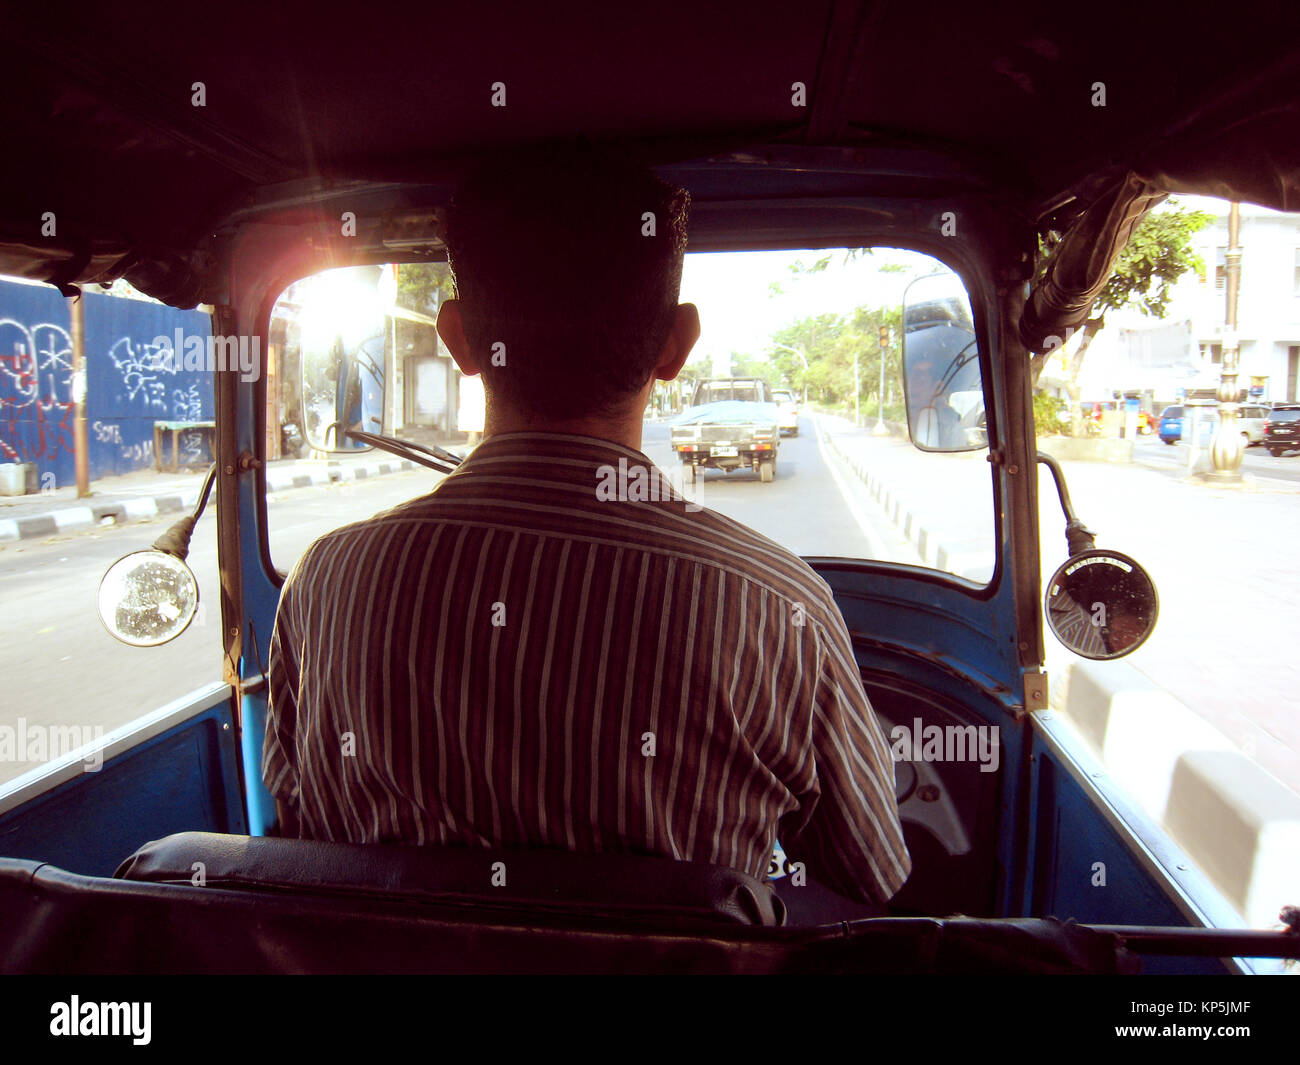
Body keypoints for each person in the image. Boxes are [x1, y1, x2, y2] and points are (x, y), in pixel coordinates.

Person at [263, 144, 911, 906]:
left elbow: (296, 835)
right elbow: (875, 877)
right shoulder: (782, 605)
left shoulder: (326, 582)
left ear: (461, 338)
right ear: (676, 345)